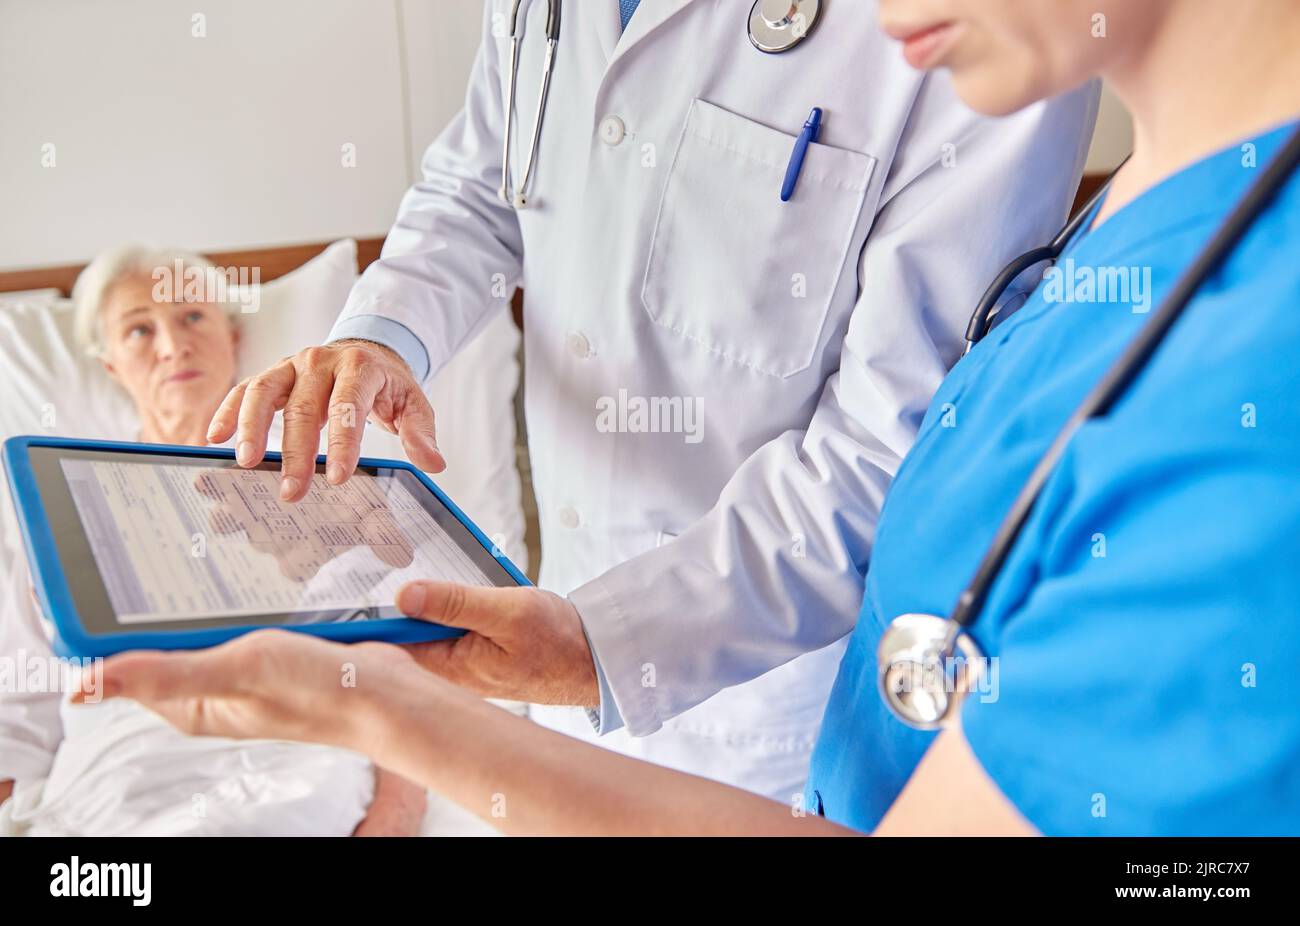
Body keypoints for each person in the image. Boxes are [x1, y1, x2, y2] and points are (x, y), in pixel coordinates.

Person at [92, 0, 1300, 836]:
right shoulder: (1149, 231)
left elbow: (883, 459)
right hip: (707, 714)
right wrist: (380, 335)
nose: (879, 19)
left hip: (758, 707)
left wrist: (386, 712)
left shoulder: (1228, 392)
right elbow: (480, 177)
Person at [0, 246, 425, 835]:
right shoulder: (62, 504)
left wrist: (397, 811)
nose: (172, 345)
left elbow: (398, 663)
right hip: (124, 763)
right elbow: (18, 702)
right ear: (111, 368)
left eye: (192, 317)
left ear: (233, 336)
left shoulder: (326, 488)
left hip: (298, 749)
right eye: (139, 330)